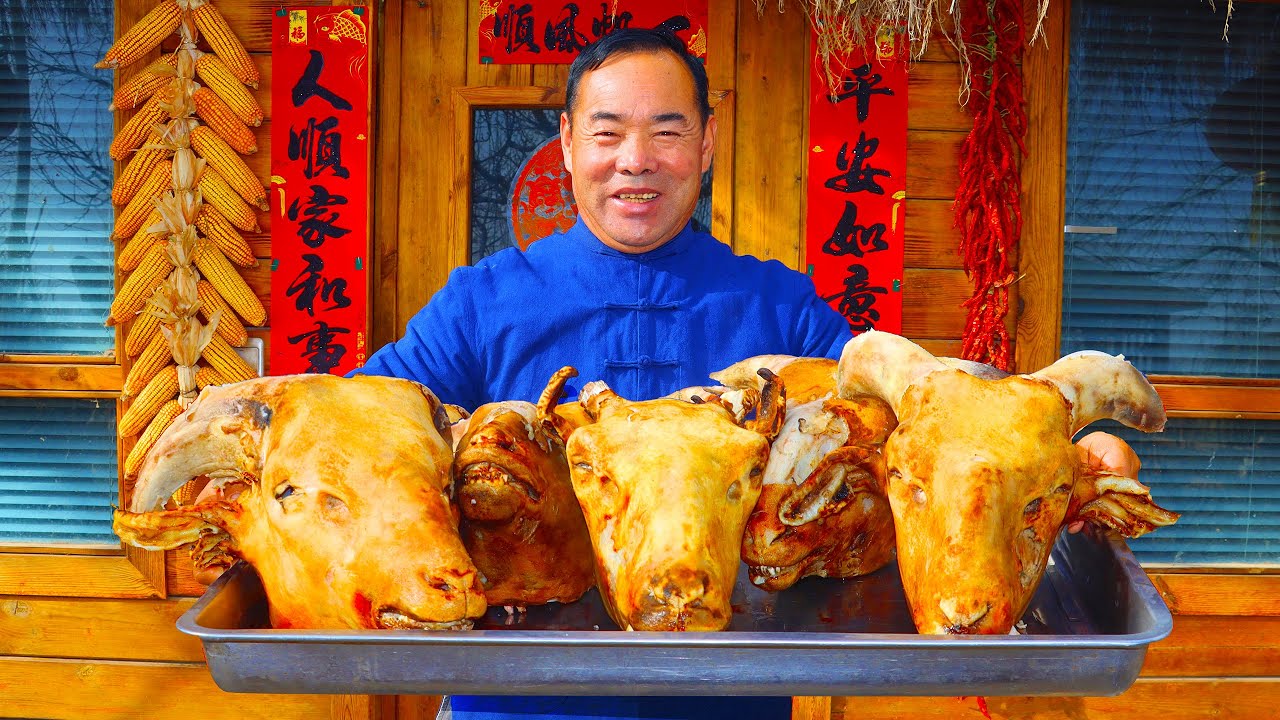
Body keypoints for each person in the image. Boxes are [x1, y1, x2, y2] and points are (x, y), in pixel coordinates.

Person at [351, 27, 1140, 720]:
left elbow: (919, 421)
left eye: (666, 131)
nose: (635, 161)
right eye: (607, 132)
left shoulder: (775, 305)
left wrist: (1063, 457)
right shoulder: (483, 303)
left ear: (706, 142)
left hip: (728, 696)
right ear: (565, 142)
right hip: (517, 704)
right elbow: (367, 424)